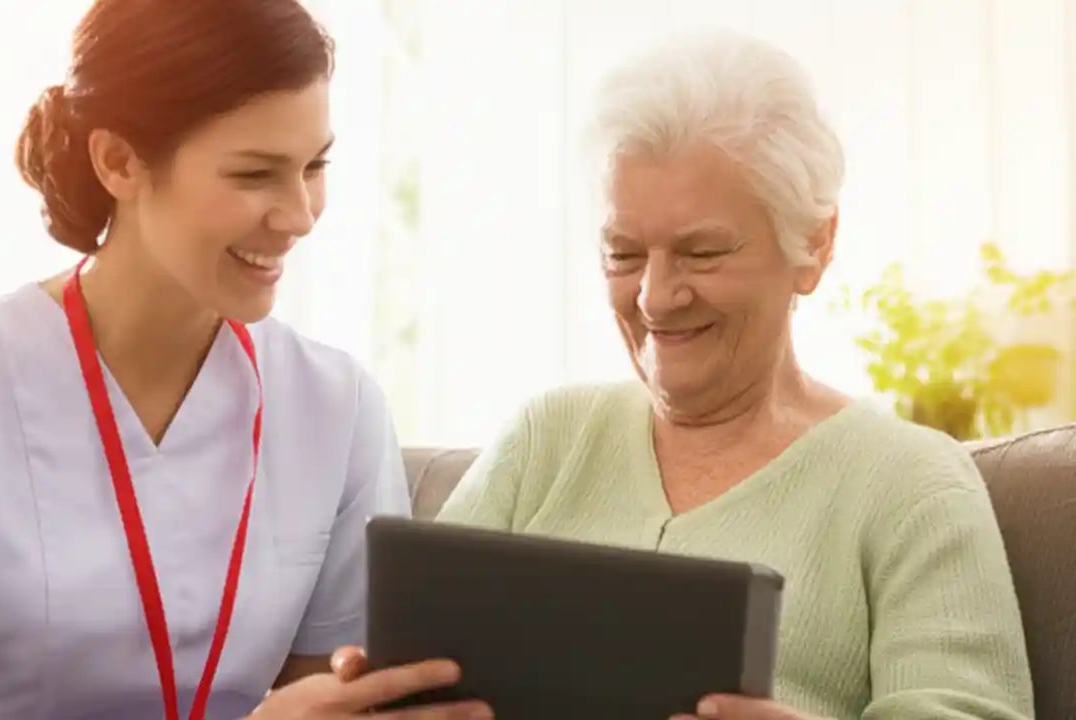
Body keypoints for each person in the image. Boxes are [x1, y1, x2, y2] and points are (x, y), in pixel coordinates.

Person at [0, 1, 491, 719]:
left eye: (314, 165)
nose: (299, 215)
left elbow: (338, 701)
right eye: (255, 174)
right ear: (118, 161)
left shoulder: (337, 406)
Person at [434, 32, 1035, 719]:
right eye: (624, 254)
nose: (655, 297)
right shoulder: (545, 441)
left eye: (703, 252)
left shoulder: (911, 484)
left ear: (813, 244)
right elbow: (400, 674)